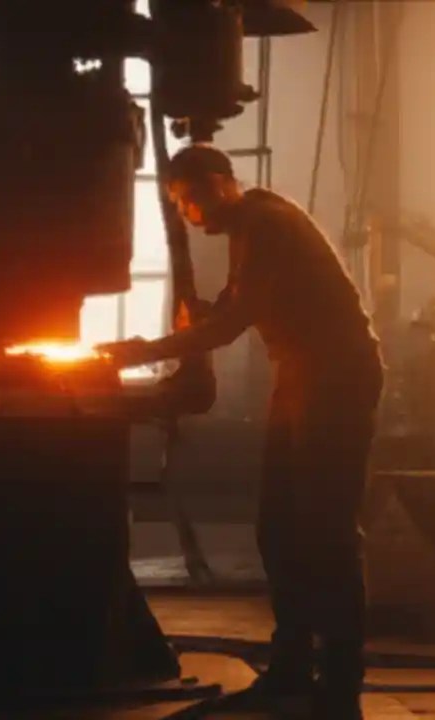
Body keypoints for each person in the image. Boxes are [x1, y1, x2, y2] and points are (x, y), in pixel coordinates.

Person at [98, 144, 383, 720]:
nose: (189, 214)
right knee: (279, 529)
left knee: (326, 530)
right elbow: (231, 306)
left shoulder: (267, 224)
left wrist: (144, 351)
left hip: (336, 377)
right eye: (180, 205)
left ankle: (340, 684)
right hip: (302, 376)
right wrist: (194, 314)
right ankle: (292, 668)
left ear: (220, 182)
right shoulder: (252, 228)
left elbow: (230, 325)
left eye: (191, 199)